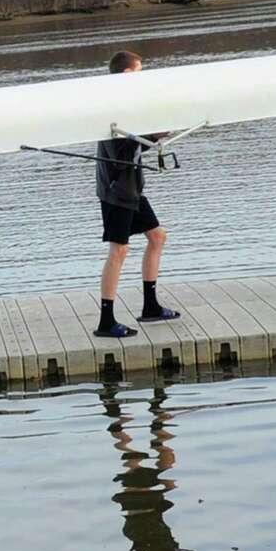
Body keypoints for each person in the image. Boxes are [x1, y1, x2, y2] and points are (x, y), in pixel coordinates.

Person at [94, 50, 179, 337]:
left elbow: (131, 147)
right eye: (140, 72)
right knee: (119, 250)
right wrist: (152, 137)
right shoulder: (110, 107)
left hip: (132, 189)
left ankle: (150, 306)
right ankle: (106, 321)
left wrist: (153, 137)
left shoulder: (126, 104)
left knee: (157, 236)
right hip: (116, 190)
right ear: (128, 75)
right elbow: (118, 154)